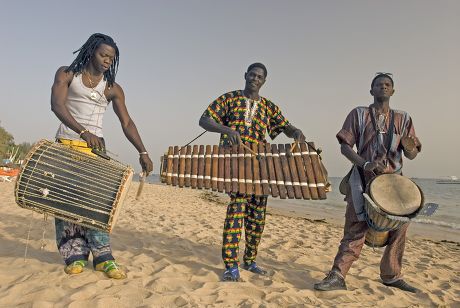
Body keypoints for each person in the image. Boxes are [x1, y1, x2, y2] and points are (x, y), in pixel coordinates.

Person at [50, 33, 153, 279]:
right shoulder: (67, 74)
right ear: (91, 51)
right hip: (66, 144)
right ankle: (74, 256)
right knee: (66, 203)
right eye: (103, 55)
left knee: (98, 205)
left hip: (95, 151)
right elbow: (57, 105)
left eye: (111, 57)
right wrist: (83, 132)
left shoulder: (112, 88)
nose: (107, 60)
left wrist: (143, 151)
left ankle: (103, 258)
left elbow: (126, 122)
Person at [314, 73, 421, 293]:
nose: (383, 87)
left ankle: (391, 276)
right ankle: (337, 275)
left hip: (393, 184)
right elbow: (345, 146)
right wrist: (365, 164)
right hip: (362, 180)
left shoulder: (404, 118)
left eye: (387, 84)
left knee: (400, 228)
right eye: (378, 84)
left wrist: (410, 147)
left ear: (393, 91)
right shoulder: (359, 114)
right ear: (371, 90)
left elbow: (411, 154)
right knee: (356, 226)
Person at [199, 63, 306, 281]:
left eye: (259, 77)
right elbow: (204, 120)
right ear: (245, 75)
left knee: (258, 216)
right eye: (252, 74)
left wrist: (295, 132)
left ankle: (250, 260)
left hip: (260, 165)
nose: (255, 79)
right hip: (236, 163)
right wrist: (226, 129)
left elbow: (284, 126)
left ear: (264, 81)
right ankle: (231, 265)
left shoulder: (268, 106)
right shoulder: (229, 98)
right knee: (237, 211)